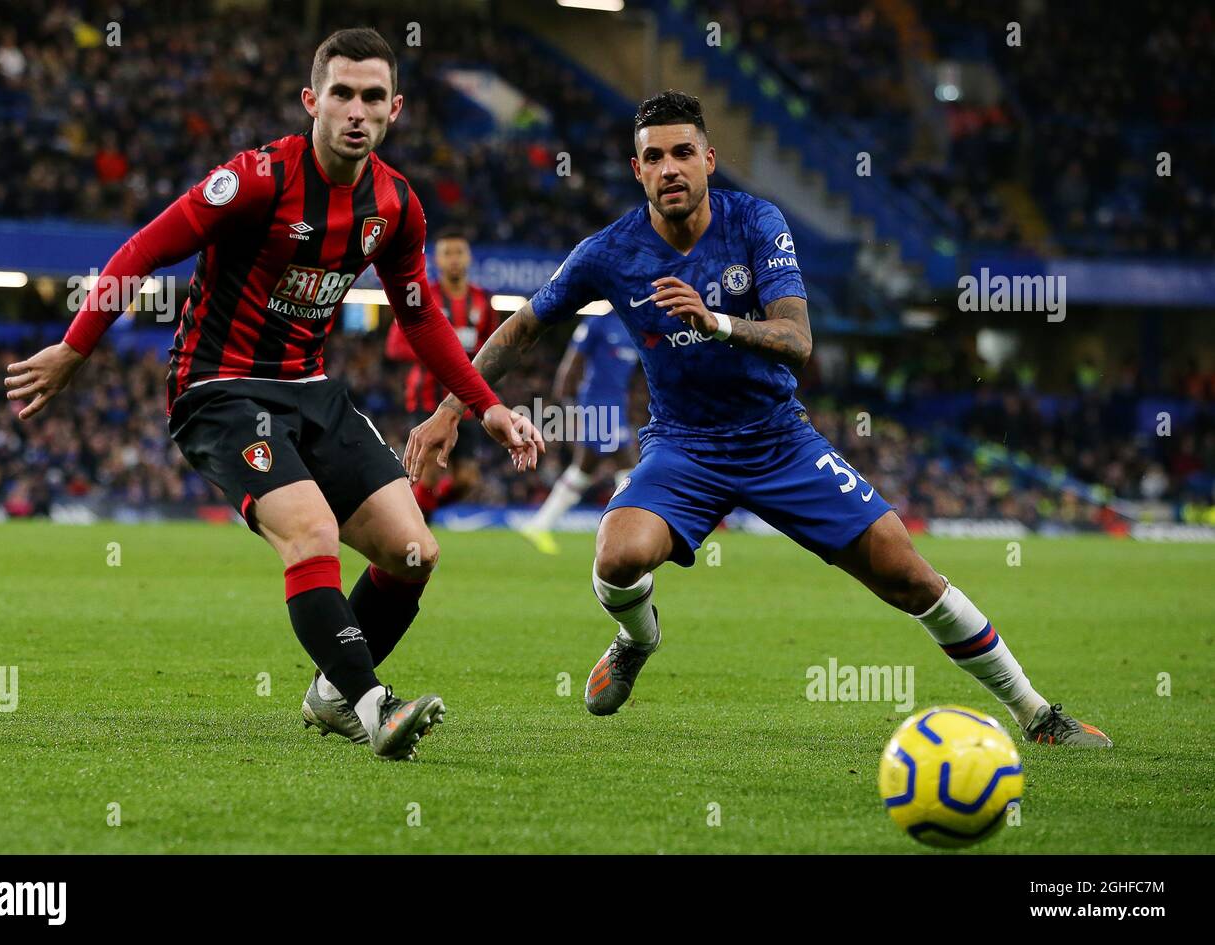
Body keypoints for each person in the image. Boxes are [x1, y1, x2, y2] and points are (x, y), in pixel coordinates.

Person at [406, 90, 1110, 747]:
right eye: (653, 156)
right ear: (636, 170)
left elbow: (797, 340)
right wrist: (450, 410)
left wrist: (714, 320)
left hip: (779, 440)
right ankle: (638, 640)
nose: (669, 168)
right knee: (617, 555)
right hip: (684, 445)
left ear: (708, 158)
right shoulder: (608, 253)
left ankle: (1036, 713)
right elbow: (523, 327)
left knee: (907, 574)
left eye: (683, 152)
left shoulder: (756, 222)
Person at [3, 27, 544, 761]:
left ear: (396, 109)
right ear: (311, 100)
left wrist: (487, 406)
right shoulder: (257, 180)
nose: (357, 110)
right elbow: (145, 249)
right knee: (312, 535)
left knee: (414, 550)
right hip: (220, 388)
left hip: (311, 389)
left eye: (373, 97)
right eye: (343, 94)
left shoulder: (396, 205)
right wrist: (75, 346)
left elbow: (419, 313)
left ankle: (329, 692)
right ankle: (371, 701)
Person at [385, 227, 498, 520]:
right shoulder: (422, 296)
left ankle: (419, 519)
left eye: (459, 252)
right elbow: (395, 346)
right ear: (436, 259)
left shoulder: (483, 300)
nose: (454, 259)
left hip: (467, 405)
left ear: (469, 257)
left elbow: (494, 350)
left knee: (467, 480)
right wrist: (440, 348)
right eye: (447, 253)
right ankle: (414, 533)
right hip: (426, 400)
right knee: (429, 475)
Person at [519, 307, 641, 554]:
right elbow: (571, 366)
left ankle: (539, 524)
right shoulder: (598, 323)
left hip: (616, 404)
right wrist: (567, 406)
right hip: (597, 404)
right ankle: (627, 531)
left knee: (584, 470)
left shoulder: (636, 326)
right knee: (629, 466)